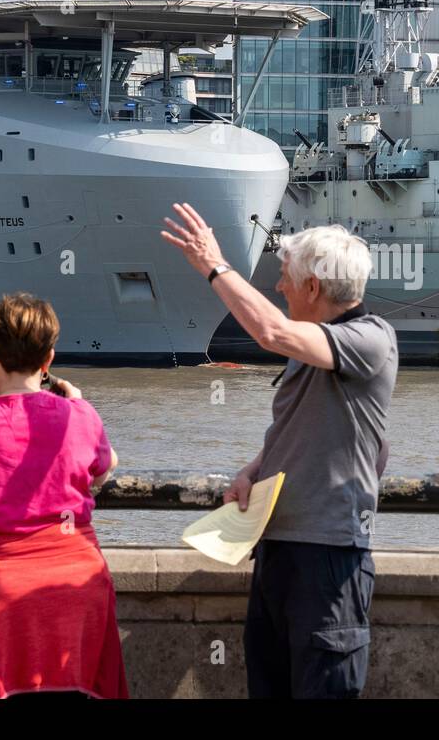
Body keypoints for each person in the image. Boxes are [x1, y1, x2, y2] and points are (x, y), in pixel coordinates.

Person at [161, 206, 398, 699]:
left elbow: (269, 332)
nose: (278, 287)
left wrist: (214, 265)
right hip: (279, 551)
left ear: (313, 287)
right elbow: (305, 428)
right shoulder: (310, 352)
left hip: (329, 556)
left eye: (286, 278)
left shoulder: (370, 340)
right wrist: (255, 470)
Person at [0, 292, 127, 699]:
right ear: (48, 361)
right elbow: (105, 466)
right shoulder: (80, 417)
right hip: (78, 589)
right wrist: (79, 405)